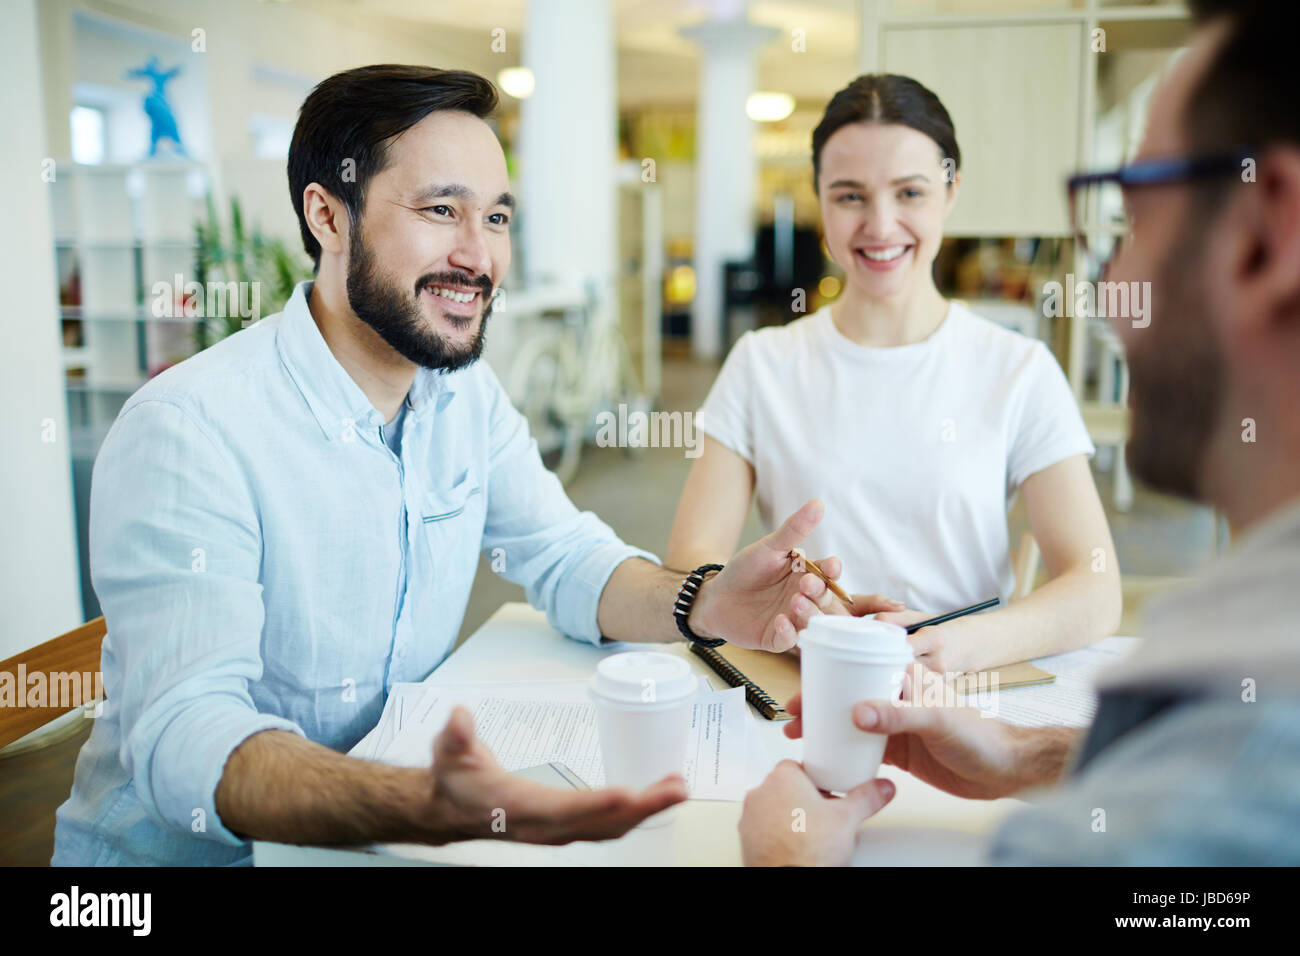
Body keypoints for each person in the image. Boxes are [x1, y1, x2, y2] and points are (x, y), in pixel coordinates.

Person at [51, 65, 858, 866]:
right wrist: (416, 805)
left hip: (383, 842)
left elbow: (563, 554)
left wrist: (708, 601)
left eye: (497, 217)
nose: (480, 257)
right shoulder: (189, 431)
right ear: (328, 217)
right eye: (442, 210)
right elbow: (187, 741)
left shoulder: (459, 396)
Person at [738, 0, 1300, 866]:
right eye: (850, 195)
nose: (1110, 275)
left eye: (1134, 205)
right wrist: (1020, 756)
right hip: (903, 724)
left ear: (1270, 238)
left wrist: (783, 859)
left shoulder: (1248, 718)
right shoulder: (1232, 667)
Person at [667, 73, 1120, 676]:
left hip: (962, 692)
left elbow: (1095, 586)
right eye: (850, 196)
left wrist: (959, 644)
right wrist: (779, 609)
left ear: (950, 191)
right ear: (820, 201)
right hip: (807, 686)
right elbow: (689, 565)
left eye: (909, 193)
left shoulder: (1018, 368)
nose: (880, 226)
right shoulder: (761, 364)